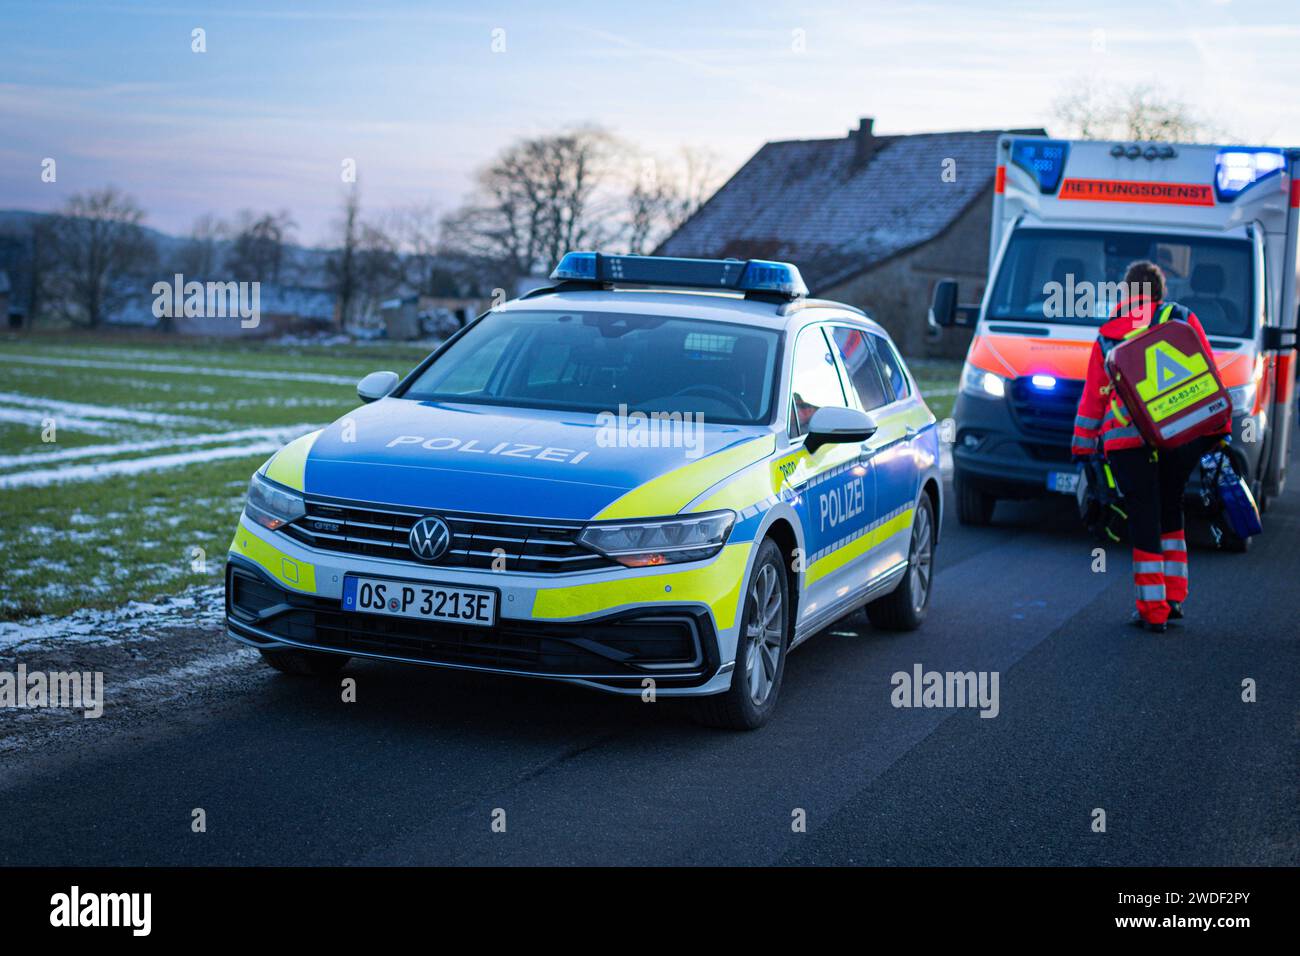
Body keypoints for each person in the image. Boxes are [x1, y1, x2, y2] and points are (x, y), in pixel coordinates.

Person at [1071, 260, 1229, 633]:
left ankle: (1152, 609)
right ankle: (1174, 597)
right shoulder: (1183, 319)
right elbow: (1208, 372)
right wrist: (1220, 428)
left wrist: (1081, 448)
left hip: (1127, 440)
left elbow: (1094, 397)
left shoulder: (1109, 334)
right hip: (1179, 433)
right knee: (1171, 505)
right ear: (1161, 292)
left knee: (1144, 513)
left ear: (1126, 293)